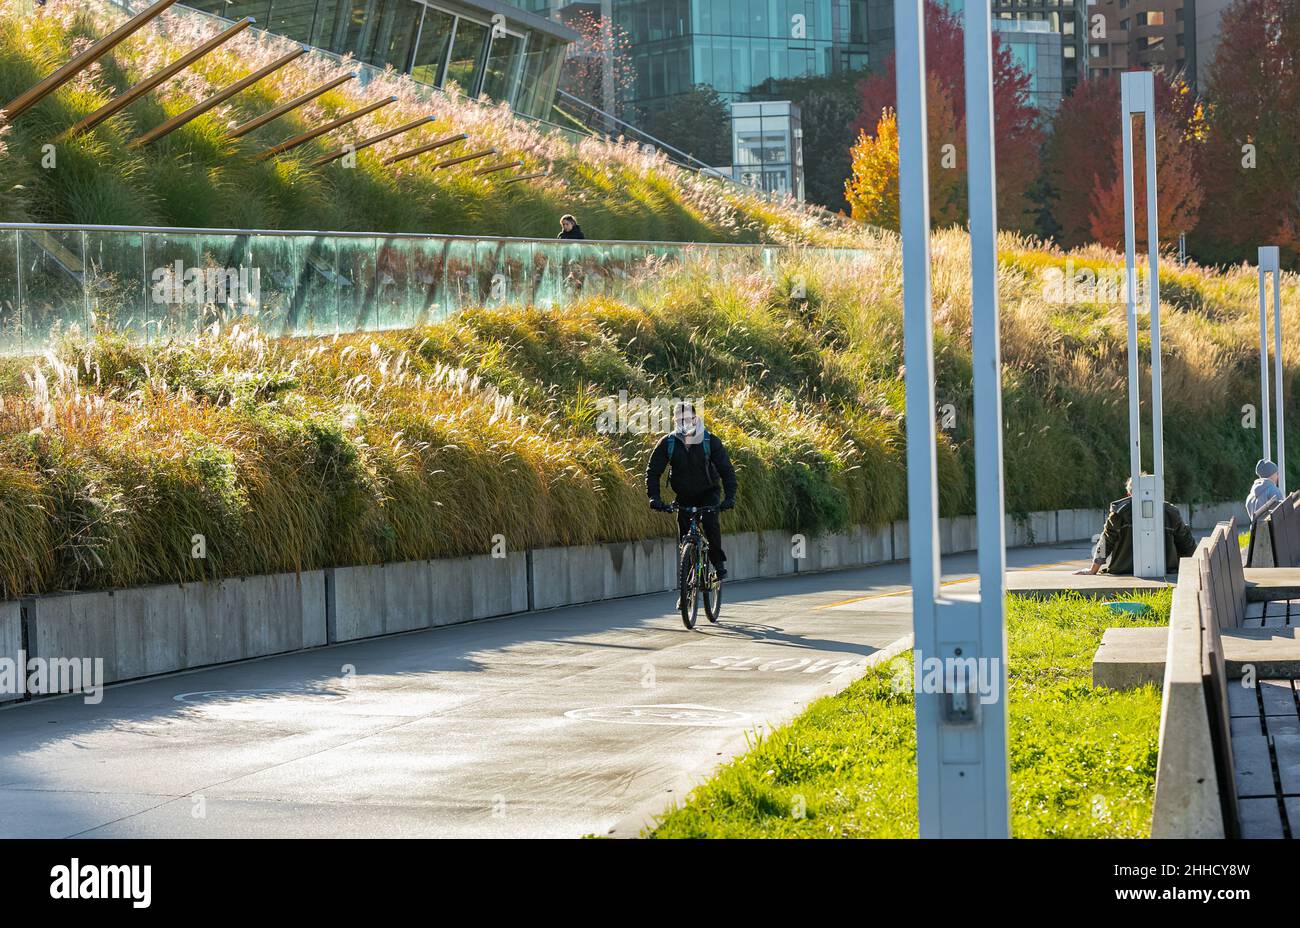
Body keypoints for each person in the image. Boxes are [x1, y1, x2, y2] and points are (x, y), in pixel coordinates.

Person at [646, 403, 738, 586]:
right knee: (684, 537)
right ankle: (687, 586)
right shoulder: (669, 443)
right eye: (679, 419)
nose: (683, 422)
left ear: (695, 419)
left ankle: (718, 563)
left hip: (708, 492)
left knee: (711, 522)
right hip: (684, 495)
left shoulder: (709, 441)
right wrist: (654, 498)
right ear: (674, 420)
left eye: (687, 418)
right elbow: (653, 471)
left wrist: (730, 497)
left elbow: (727, 470)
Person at [1075, 475, 1196, 576]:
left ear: (1129, 494)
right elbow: (1188, 545)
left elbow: (1106, 540)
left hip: (1123, 571)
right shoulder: (1171, 512)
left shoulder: (1119, 512)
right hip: (1166, 572)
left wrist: (1093, 570)